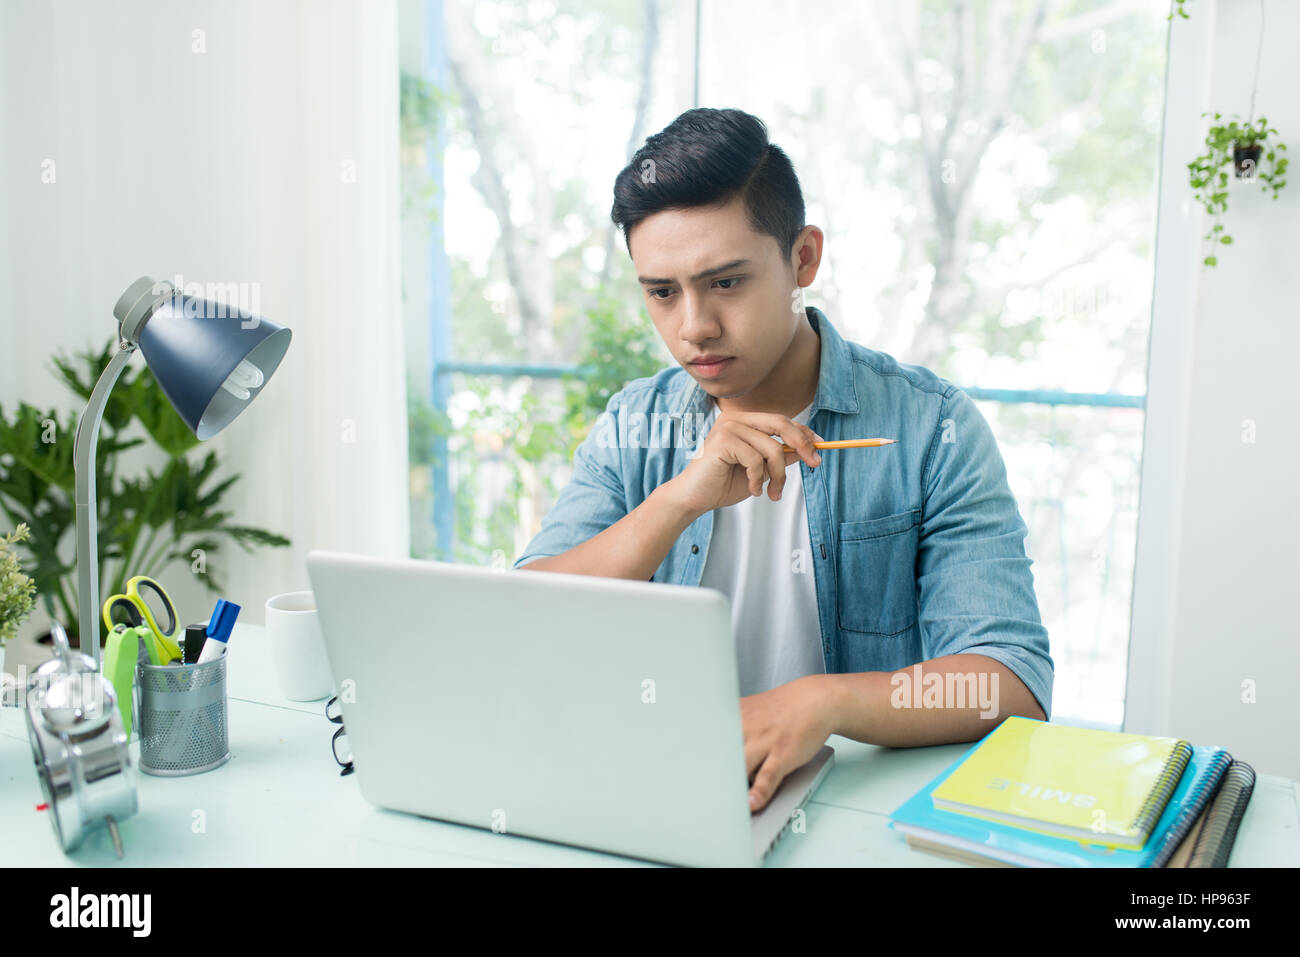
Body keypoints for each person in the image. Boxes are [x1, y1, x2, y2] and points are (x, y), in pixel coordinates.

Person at [516, 107, 1052, 813]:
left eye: (727, 283)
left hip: (853, 809)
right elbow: (527, 619)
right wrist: (678, 499)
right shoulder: (635, 424)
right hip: (659, 796)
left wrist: (824, 701)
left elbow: (1007, 681)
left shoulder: (931, 427)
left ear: (803, 258)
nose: (693, 327)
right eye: (662, 292)